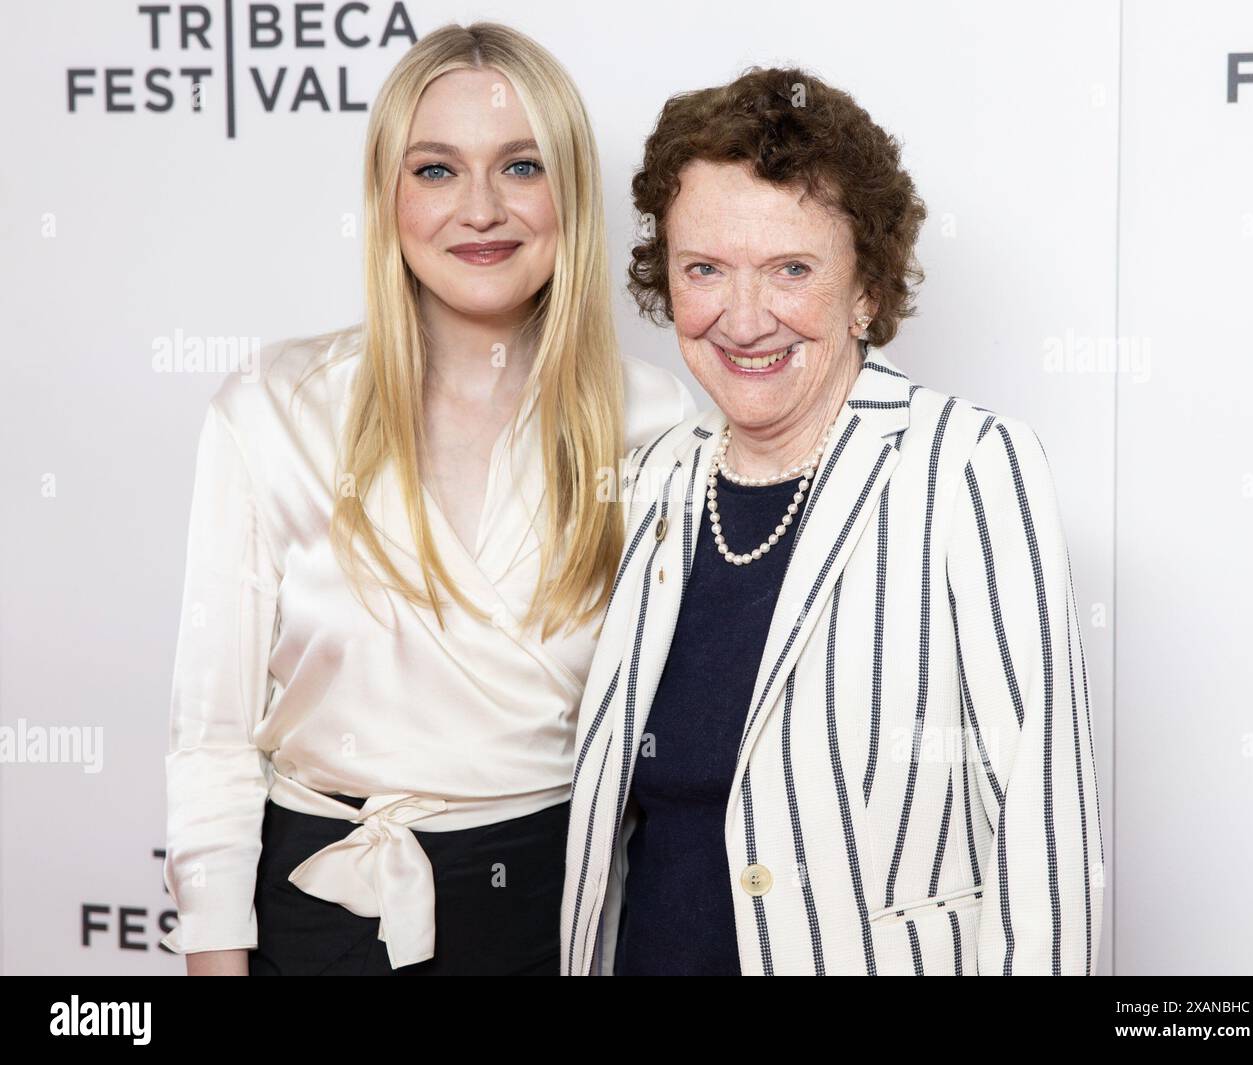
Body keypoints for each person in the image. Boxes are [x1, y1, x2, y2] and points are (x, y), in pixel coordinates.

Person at [161, 21, 693, 976]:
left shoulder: (654, 420)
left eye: (522, 167)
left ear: (570, 191)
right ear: (387, 197)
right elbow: (210, 738)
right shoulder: (272, 408)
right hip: (322, 908)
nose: (481, 209)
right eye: (437, 170)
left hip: (558, 914)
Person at [561, 66, 1104, 975]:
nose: (742, 318)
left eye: (791, 270)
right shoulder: (658, 476)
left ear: (867, 290)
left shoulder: (965, 464)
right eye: (704, 269)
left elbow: (1046, 822)